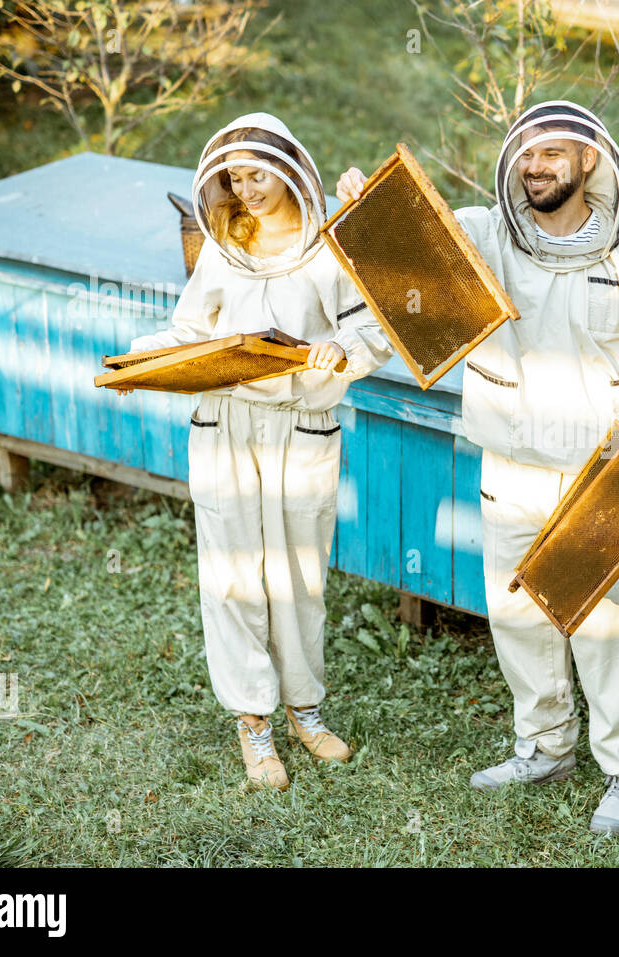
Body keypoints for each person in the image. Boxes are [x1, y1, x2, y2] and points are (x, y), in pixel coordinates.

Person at [338, 101, 619, 833]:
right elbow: (410, 261)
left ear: (590, 160)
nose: (536, 167)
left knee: (609, 631)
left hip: (598, 479)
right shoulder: (483, 236)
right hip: (506, 465)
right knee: (518, 622)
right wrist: (369, 207)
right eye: (525, 155)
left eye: (553, 153)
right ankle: (544, 746)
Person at [122, 112, 389, 791]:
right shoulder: (221, 249)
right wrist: (140, 364)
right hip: (227, 422)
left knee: (299, 577)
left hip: (302, 423)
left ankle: (306, 709)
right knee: (234, 574)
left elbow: (371, 334)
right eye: (235, 179)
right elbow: (188, 331)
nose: (247, 190)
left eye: (258, 175)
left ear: (291, 167)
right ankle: (254, 724)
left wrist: (341, 352)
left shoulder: (328, 248)